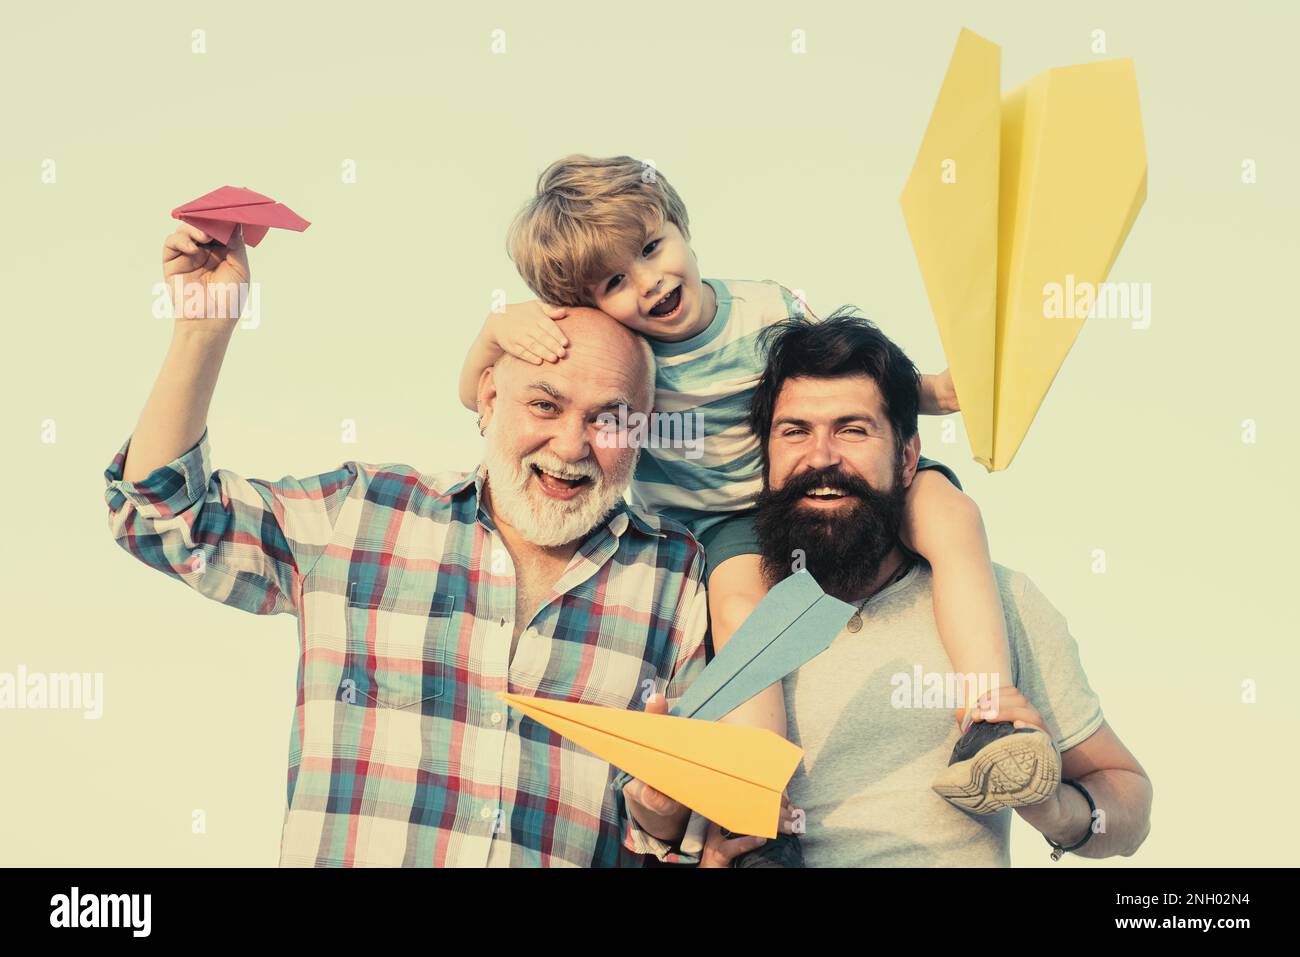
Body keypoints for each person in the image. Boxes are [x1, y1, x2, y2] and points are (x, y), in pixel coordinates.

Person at [458, 155, 1060, 842]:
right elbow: (476, 393)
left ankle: (991, 719)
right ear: (592, 306)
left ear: (679, 225)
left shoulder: (766, 307)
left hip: (815, 484)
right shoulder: (621, 356)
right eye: (615, 282)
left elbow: (844, 376)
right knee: (743, 611)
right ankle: (759, 815)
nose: (649, 283)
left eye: (652, 248)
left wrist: (938, 393)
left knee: (953, 514)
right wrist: (493, 332)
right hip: (722, 524)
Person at [103, 220, 709, 866]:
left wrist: (666, 815)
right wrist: (201, 331)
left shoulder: (677, 579)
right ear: (490, 395)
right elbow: (162, 521)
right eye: (545, 406)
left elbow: (695, 836)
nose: (571, 445)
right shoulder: (362, 513)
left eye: (609, 419)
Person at [699, 310, 1152, 867]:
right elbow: (655, 816)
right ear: (765, 456)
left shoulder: (998, 598)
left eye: (853, 429)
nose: (821, 456)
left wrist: (1054, 809)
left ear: (909, 456)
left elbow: (1126, 797)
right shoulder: (709, 611)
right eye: (794, 431)